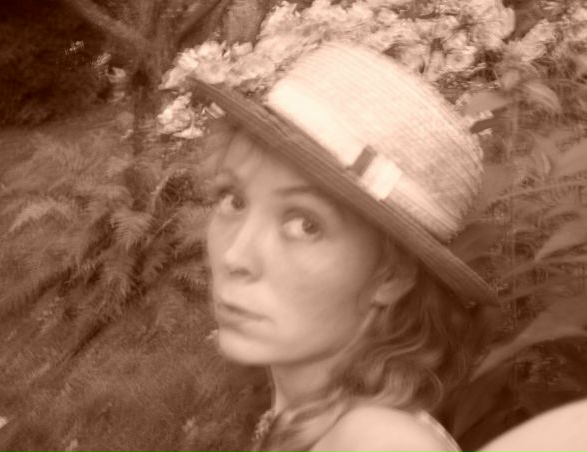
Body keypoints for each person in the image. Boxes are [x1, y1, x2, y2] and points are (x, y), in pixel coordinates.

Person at [198, 42, 497, 452]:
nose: (235, 256)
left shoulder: (382, 444)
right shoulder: (313, 418)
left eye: (305, 224)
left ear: (392, 275)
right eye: (233, 200)